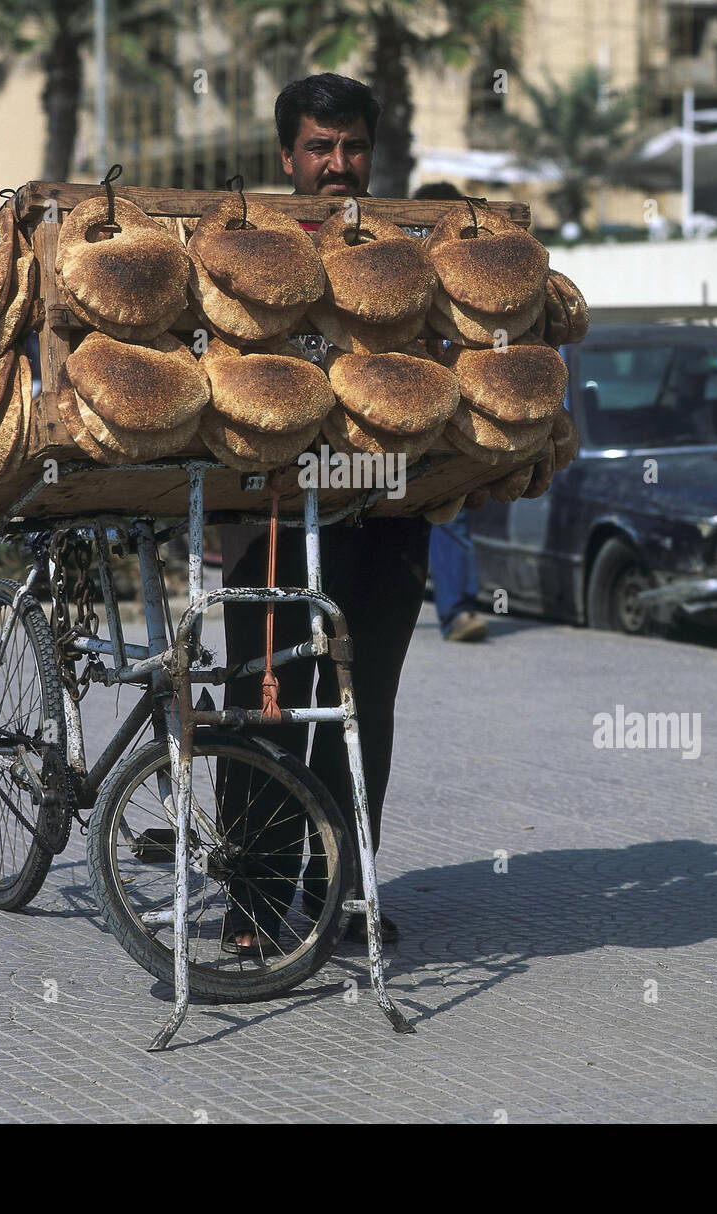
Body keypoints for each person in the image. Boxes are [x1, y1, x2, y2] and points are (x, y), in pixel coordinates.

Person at [219, 73, 429, 950]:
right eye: (319, 147)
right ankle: (253, 906)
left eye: (350, 149)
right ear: (286, 155)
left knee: (361, 706)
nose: (336, 165)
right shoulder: (245, 246)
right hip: (267, 517)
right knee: (264, 707)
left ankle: (342, 890)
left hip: (385, 513)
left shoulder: (406, 250)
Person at [412, 182, 489, 644]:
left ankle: (458, 610)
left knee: (450, 512)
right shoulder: (404, 273)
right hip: (406, 414)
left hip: (451, 421)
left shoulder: (470, 284)